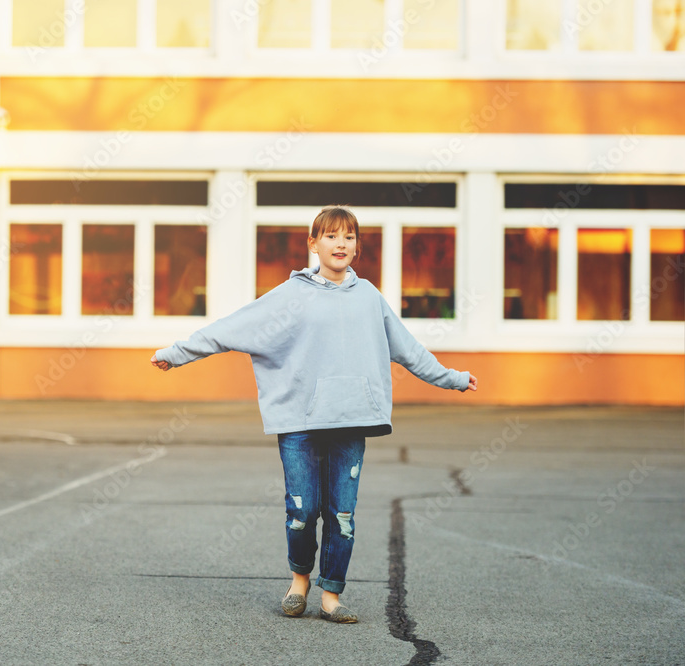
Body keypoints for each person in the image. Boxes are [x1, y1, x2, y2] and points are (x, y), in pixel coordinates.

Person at [150, 205, 478, 623]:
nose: (340, 244)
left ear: (357, 247)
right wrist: (176, 355)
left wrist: (452, 378)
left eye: (349, 237)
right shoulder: (291, 295)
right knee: (303, 511)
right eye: (331, 236)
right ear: (313, 243)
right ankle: (299, 581)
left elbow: (410, 351)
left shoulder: (369, 298)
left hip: (351, 419)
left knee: (342, 514)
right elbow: (232, 327)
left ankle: (332, 596)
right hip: (300, 421)